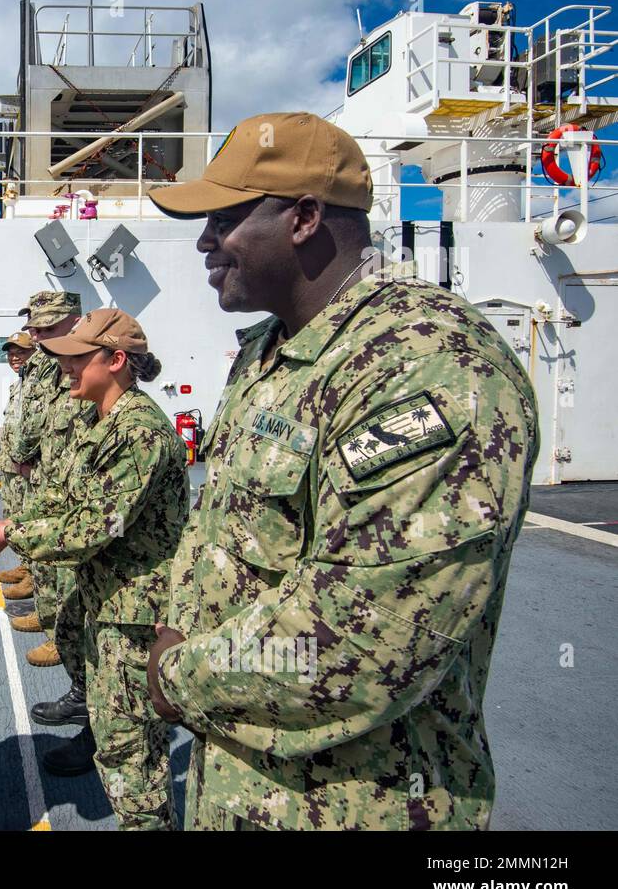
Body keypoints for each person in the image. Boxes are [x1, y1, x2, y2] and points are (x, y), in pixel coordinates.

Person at [141, 111, 540, 830]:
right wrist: (178, 624)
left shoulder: (428, 366)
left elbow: (367, 638)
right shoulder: (267, 352)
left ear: (303, 218)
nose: (204, 241)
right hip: (241, 785)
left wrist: (177, 675)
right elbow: (219, 531)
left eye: (225, 217)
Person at [0, 308, 189, 829]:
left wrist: (8, 534)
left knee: (132, 755)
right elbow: (64, 498)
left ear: (115, 361)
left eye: (76, 358)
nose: (65, 367)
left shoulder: (139, 432)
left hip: (134, 614)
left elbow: (94, 524)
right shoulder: (97, 420)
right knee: (115, 744)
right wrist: (9, 522)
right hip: (103, 599)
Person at [6, 290, 99, 773]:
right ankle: (83, 695)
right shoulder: (47, 366)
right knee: (65, 609)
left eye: (45, 327)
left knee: (78, 614)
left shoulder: (96, 381)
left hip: (76, 510)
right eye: (34, 327)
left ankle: (94, 712)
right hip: (52, 496)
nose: (36, 336)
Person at [0, 331, 35, 616]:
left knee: (28, 518)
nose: (14, 357)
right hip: (11, 466)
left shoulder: (37, 385)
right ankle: (25, 564)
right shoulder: (18, 385)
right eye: (10, 353)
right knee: (14, 513)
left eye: (20, 351)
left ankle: (33, 574)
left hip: (25, 467)